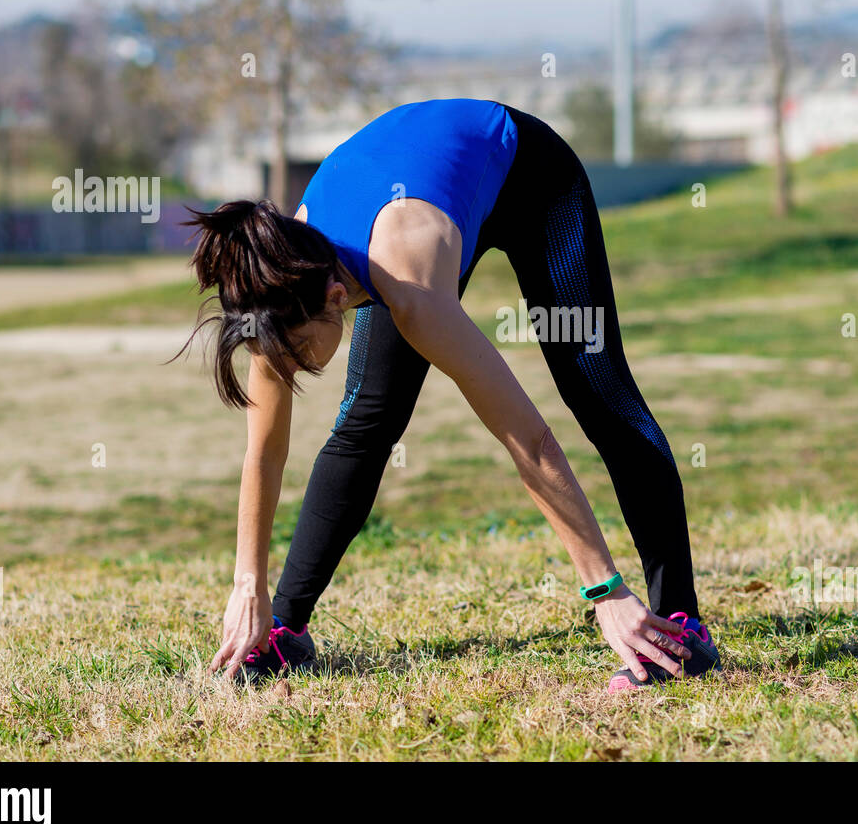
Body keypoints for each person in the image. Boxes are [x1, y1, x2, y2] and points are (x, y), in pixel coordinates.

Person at [185, 99, 719, 693]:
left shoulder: (408, 283)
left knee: (598, 392)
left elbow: (529, 439)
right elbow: (264, 453)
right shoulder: (276, 288)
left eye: (297, 354)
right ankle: (287, 628)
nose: (287, 369)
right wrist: (246, 583)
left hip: (531, 179)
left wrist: (604, 588)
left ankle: (681, 625)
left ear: (336, 296)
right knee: (367, 420)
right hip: (417, 191)